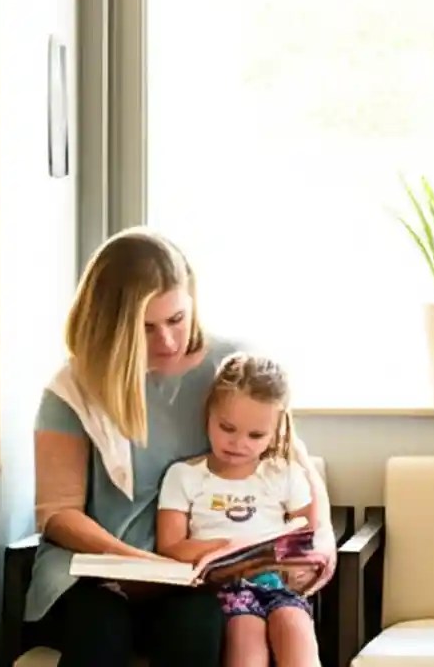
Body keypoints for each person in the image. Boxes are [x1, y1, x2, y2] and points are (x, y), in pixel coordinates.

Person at [25, 227, 336, 667]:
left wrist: (319, 539)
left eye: (176, 319)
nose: (167, 341)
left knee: (198, 627)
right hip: (98, 573)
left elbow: (293, 461)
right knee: (99, 631)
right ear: (111, 325)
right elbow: (56, 513)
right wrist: (140, 564)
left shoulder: (232, 367)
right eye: (145, 328)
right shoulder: (73, 388)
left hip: (194, 577)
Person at [157, 353, 321, 667]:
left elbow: (305, 536)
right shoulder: (185, 475)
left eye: (255, 435)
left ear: (276, 430)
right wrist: (229, 548)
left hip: (276, 583)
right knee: (247, 639)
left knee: (295, 630)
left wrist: (293, 564)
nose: (238, 443)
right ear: (209, 414)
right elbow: (171, 546)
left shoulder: (283, 474)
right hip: (222, 588)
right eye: (227, 427)